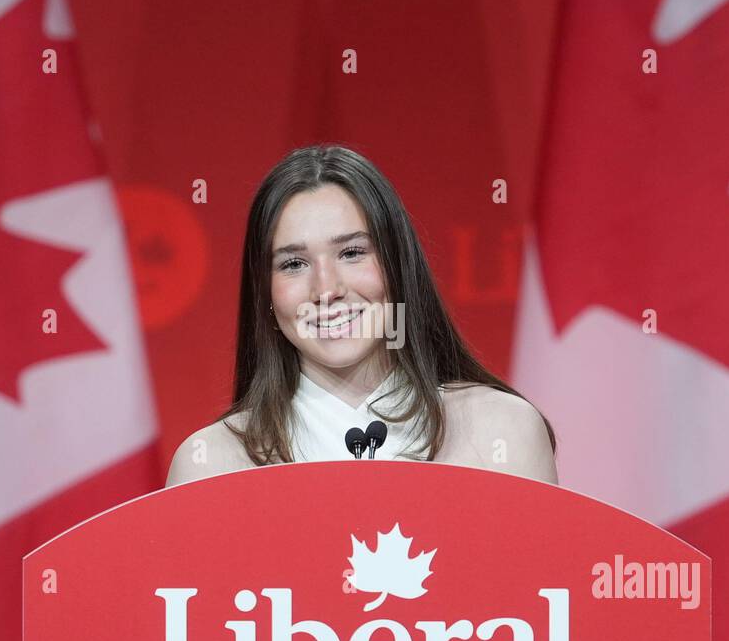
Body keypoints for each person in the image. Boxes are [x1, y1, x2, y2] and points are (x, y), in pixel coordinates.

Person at [166, 144, 558, 487]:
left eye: (352, 253)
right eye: (294, 264)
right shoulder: (211, 464)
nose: (326, 289)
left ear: (397, 268)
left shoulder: (502, 432)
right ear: (266, 293)